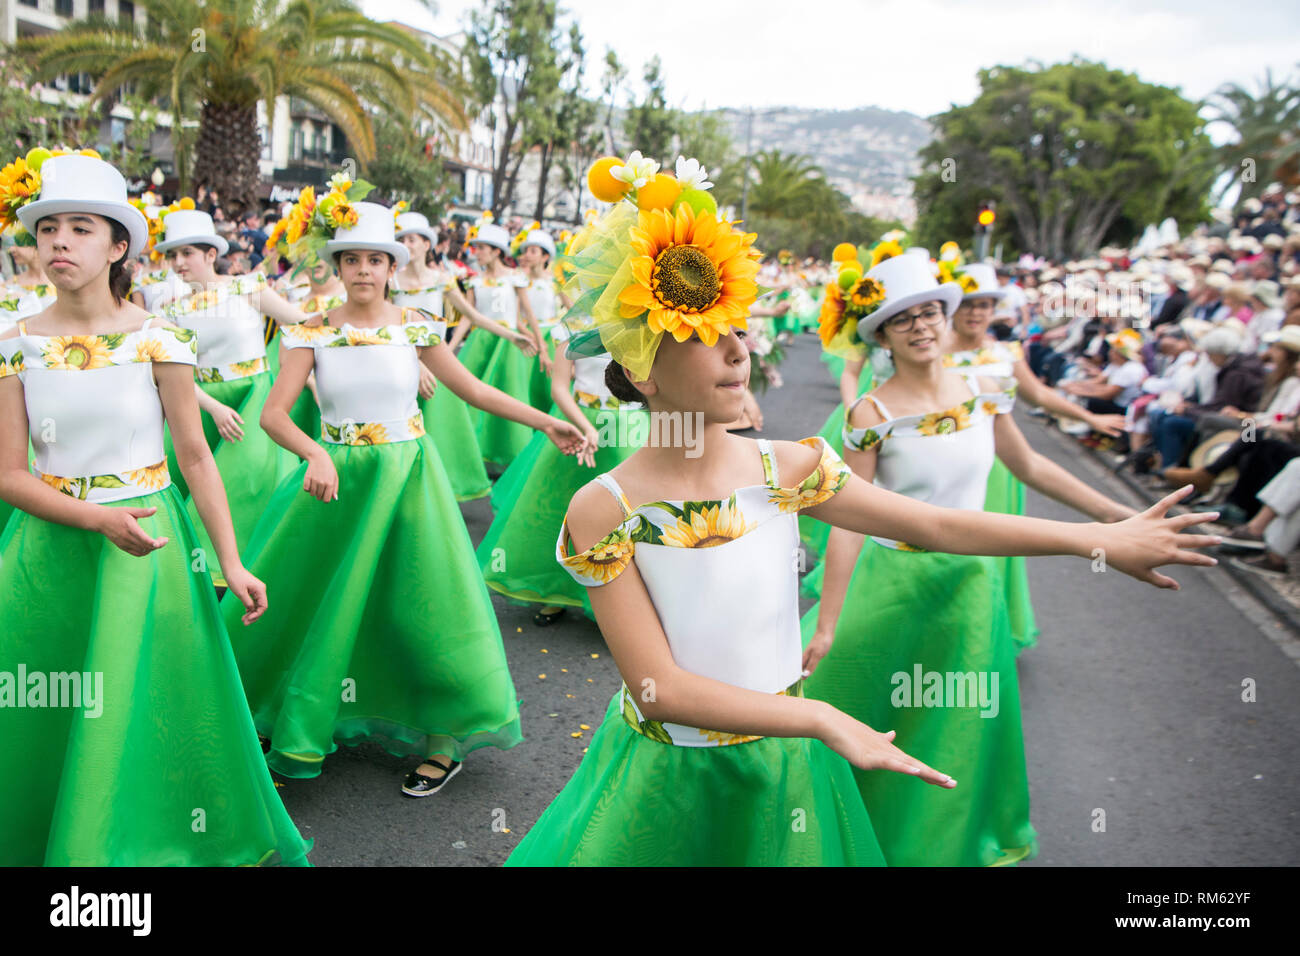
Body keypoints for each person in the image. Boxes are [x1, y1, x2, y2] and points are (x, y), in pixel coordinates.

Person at [505, 154, 1217, 866]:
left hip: (783, 768)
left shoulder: (788, 467)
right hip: (668, 779)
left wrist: (1099, 538)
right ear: (638, 371)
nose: (737, 350)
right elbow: (660, 691)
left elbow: (935, 524)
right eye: (698, 335)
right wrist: (814, 715)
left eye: (739, 326)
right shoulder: (606, 507)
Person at [800, 253, 1189, 867]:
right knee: (870, 713)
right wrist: (827, 619)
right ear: (881, 335)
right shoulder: (869, 415)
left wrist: (1121, 518)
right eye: (902, 319)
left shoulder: (988, 388)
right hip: (894, 583)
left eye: (930, 311)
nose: (921, 326)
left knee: (958, 722)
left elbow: (1031, 467)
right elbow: (851, 522)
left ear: (945, 316)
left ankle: (941, 847)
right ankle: (850, 840)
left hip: (971, 586)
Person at [0, 150, 308, 865]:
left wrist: (232, 560)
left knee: (144, 707)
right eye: (48, 230)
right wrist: (92, 517)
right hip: (49, 550)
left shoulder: (158, 337)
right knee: (41, 705)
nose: (60, 243)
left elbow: (195, 456)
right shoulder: (14, 347)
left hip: (149, 550)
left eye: (81, 229)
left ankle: (130, 848)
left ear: (117, 248)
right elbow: (10, 475)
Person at [219, 202, 588, 794]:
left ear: (392, 266)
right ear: (337, 265)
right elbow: (273, 415)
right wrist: (314, 452)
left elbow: (472, 389)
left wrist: (545, 422)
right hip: (337, 482)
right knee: (315, 599)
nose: (363, 269)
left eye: (375, 259)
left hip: (409, 479)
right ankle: (288, 713)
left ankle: (444, 739)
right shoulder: (311, 329)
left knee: (423, 604)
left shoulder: (415, 325)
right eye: (352, 259)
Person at [154, 205, 320, 586]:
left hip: (254, 399)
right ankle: (199, 576)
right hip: (204, 405)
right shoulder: (171, 309)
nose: (179, 262)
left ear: (211, 255)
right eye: (173, 255)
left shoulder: (247, 287)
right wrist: (213, 407)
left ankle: (256, 568)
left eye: (187, 253)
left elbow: (302, 324)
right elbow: (171, 373)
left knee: (250, 484)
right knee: (194, 486)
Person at [453, 222, 545, 469]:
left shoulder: (515, 278)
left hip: (508, 346)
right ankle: (472, 455)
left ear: (496, 251)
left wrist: (541, 345)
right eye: (476, 248)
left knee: (509, 396)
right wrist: (451, 346)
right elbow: (467, 316)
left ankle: (508, 458)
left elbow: (526, 313)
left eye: (481, 248)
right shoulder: (475, 281)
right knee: (469, 396)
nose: (476, 253)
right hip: (480, 342)